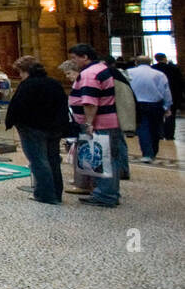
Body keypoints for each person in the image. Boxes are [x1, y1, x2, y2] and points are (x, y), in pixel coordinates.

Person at [67, 43, 126, 208]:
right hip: (107, 120)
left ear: (85, 57)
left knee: (103, 158)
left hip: (100, 123)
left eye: (74, 58)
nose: (74, 62)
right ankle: (107, 192)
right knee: (107, 157)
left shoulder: (90, 73)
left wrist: (88, 123)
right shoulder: (101, 68)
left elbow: (90, 102)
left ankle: (105, 194)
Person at [4, 56, 70, 204]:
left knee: (38, 160)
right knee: (53, 160)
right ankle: (56, 193)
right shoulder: (54, 83)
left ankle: (45, 195)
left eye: (20, 72)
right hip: (54, 128)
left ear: (26, 71)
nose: (20, 75)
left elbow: (17, 106)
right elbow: (63, 105)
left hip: (32, 128)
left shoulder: (28, 85)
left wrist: (12, 121)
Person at [57, 58, 96, 195]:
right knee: (79, 152)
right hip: (78, 122)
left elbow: (88, 103)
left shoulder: (84, 83)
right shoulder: (78, 84)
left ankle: (84, 184)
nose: (68, 77)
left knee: (84, 152)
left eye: (69, 73)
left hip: (83, 123)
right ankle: (81, 181)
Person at [128, 55, 172, 162]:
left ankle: (147, 153)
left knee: (143, 128)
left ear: (136, 63)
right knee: (155, 128)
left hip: (137, 104)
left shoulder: (129, 73)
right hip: (155, 104)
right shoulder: (159, 74)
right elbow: (165, 91)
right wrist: (167, 107)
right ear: (150, 62)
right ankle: (153, 151)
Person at [152, 53, 183, 139]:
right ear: (165, 58)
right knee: (171, 115)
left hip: (156, 96)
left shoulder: (153, 69)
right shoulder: (173, 69)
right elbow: (180, 83)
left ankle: (159, 133)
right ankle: (169, 134)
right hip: (172, 95)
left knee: (158, 116)